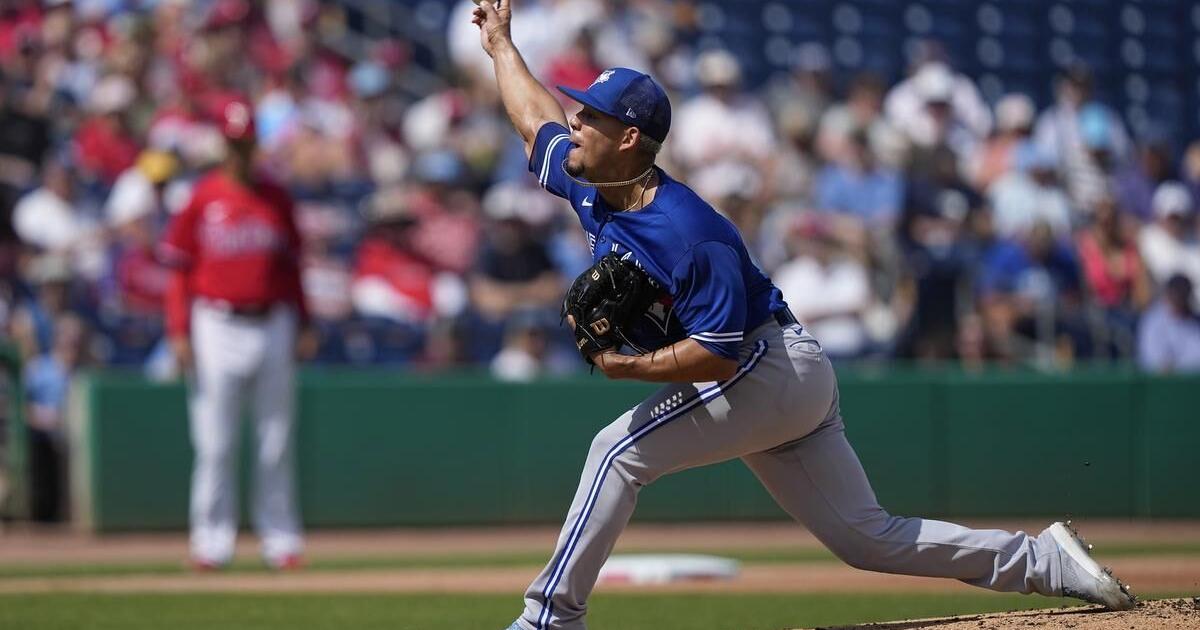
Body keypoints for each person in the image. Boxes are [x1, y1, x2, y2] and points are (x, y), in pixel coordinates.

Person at [471, 3, 1136, 630]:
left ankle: (549, 618)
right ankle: (1045, 561)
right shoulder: (594, 183)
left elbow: (717, 354)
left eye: (589, 116)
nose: (574, 121)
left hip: (765, 366)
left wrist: (629, 366)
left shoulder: (688, 230)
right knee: (868, 538)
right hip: (784, 378)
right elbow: (535, 122)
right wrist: (501, 44)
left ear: (630, 138)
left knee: (615, 452)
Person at [159, 97, 315, 571]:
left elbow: (292, 268)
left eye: (246, 144)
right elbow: (179, 273)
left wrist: (304, 320)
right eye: (233, 145)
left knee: (275, 440)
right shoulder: (203, 197)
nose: (240, 153)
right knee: (215, 441)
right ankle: (210, 542)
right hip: (215, 322)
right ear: (222, 146)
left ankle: (281, 539)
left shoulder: (277, 197)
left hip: (273, 321)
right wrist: (179, 330)